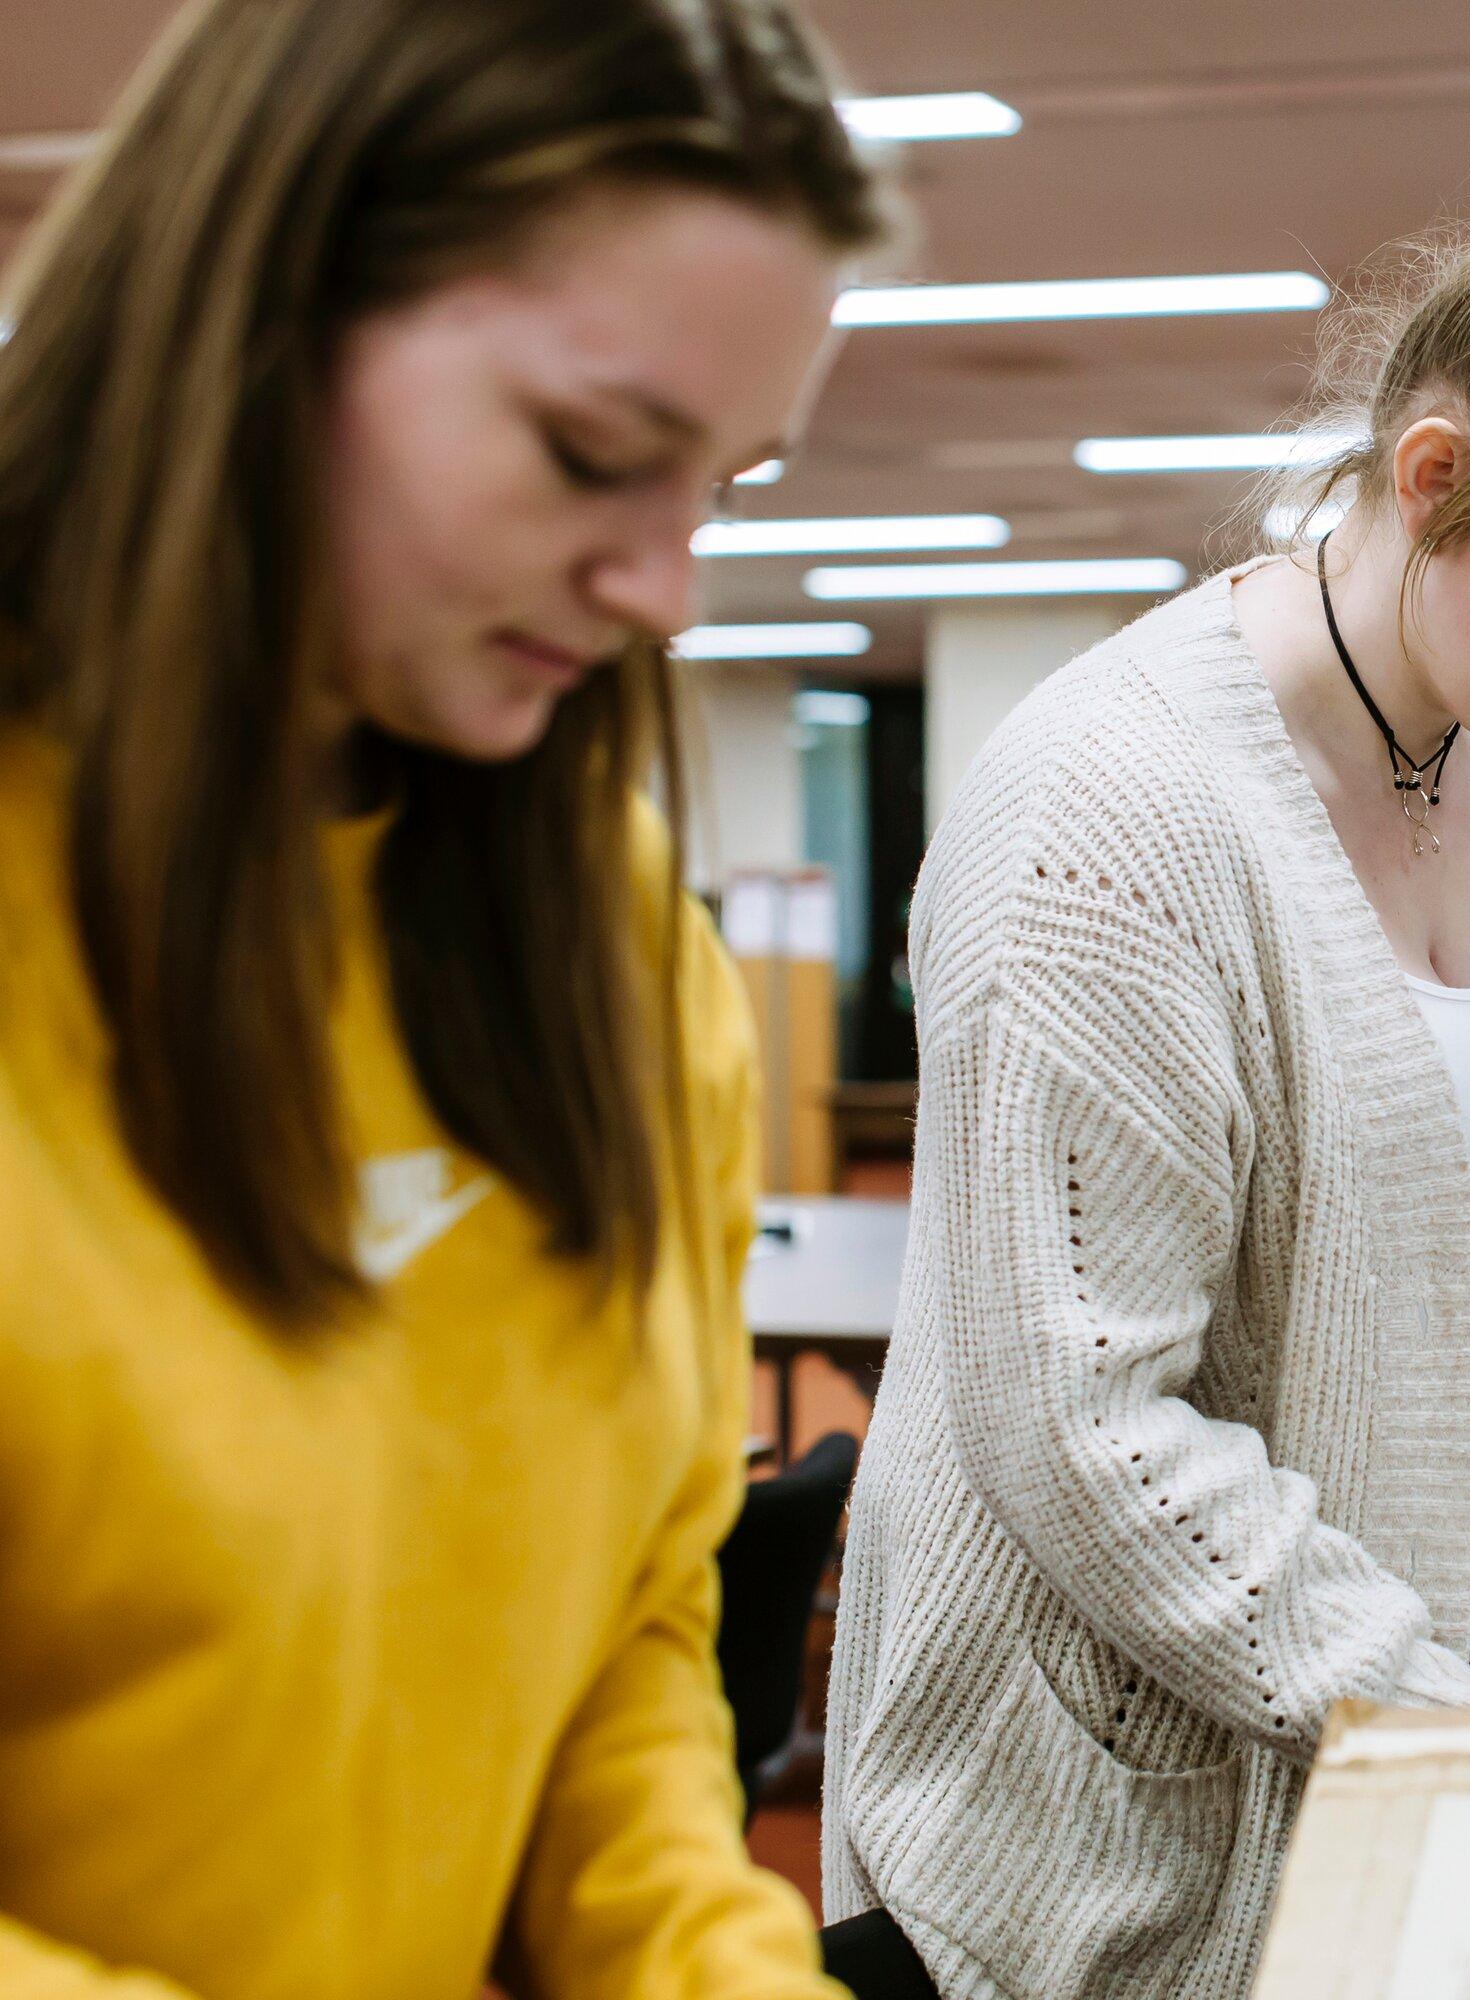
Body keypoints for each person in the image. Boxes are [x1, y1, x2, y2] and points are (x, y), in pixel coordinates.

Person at [823, 109, 1470, 1998]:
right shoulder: (1107, 824)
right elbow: (1088, 1432)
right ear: (1433, 477)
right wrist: (1421, 1699)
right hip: (1147, 1822)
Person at [0, 1, 882, 1992]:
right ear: (263, 317)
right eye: (592, 453)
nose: (666, 586)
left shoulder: (614, 946)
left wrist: (709, 1968)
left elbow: (615, 1644)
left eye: (723, 483)